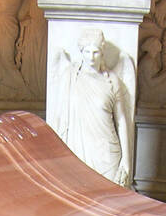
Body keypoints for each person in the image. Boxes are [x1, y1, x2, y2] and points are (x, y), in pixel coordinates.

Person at [51, 28, 134, 187]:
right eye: (87, 51)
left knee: (109, 204)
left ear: (102, 52)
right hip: (77, 151)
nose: (91, 57)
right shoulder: (70, 77)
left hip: (106, 154)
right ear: (81, 52)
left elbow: (122, 121)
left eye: (95, 52)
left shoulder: (112, 81)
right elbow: (59, 119)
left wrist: (126, 161)